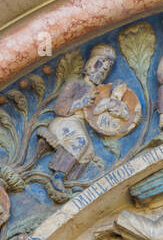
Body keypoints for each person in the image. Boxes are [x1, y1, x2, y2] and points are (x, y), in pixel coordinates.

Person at [39, 44, 138, 183]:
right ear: (88, 65)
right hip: (65, 122)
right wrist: (81, 103)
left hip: (78, 124)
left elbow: (98, 116)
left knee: (90, 150)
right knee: (81, 141)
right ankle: (58, 176)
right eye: (100, 64)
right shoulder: (75, 84)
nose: (103, 69)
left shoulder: (100, 92)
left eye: (107, 68)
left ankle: (71, 182)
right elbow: (59, 107)